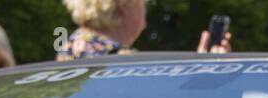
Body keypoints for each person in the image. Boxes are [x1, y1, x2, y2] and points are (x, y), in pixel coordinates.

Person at [56, 0, 232, 60]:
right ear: (124, 6)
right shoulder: (113, 60)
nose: (145, 8)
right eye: (142, 2)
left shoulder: (75, 46)